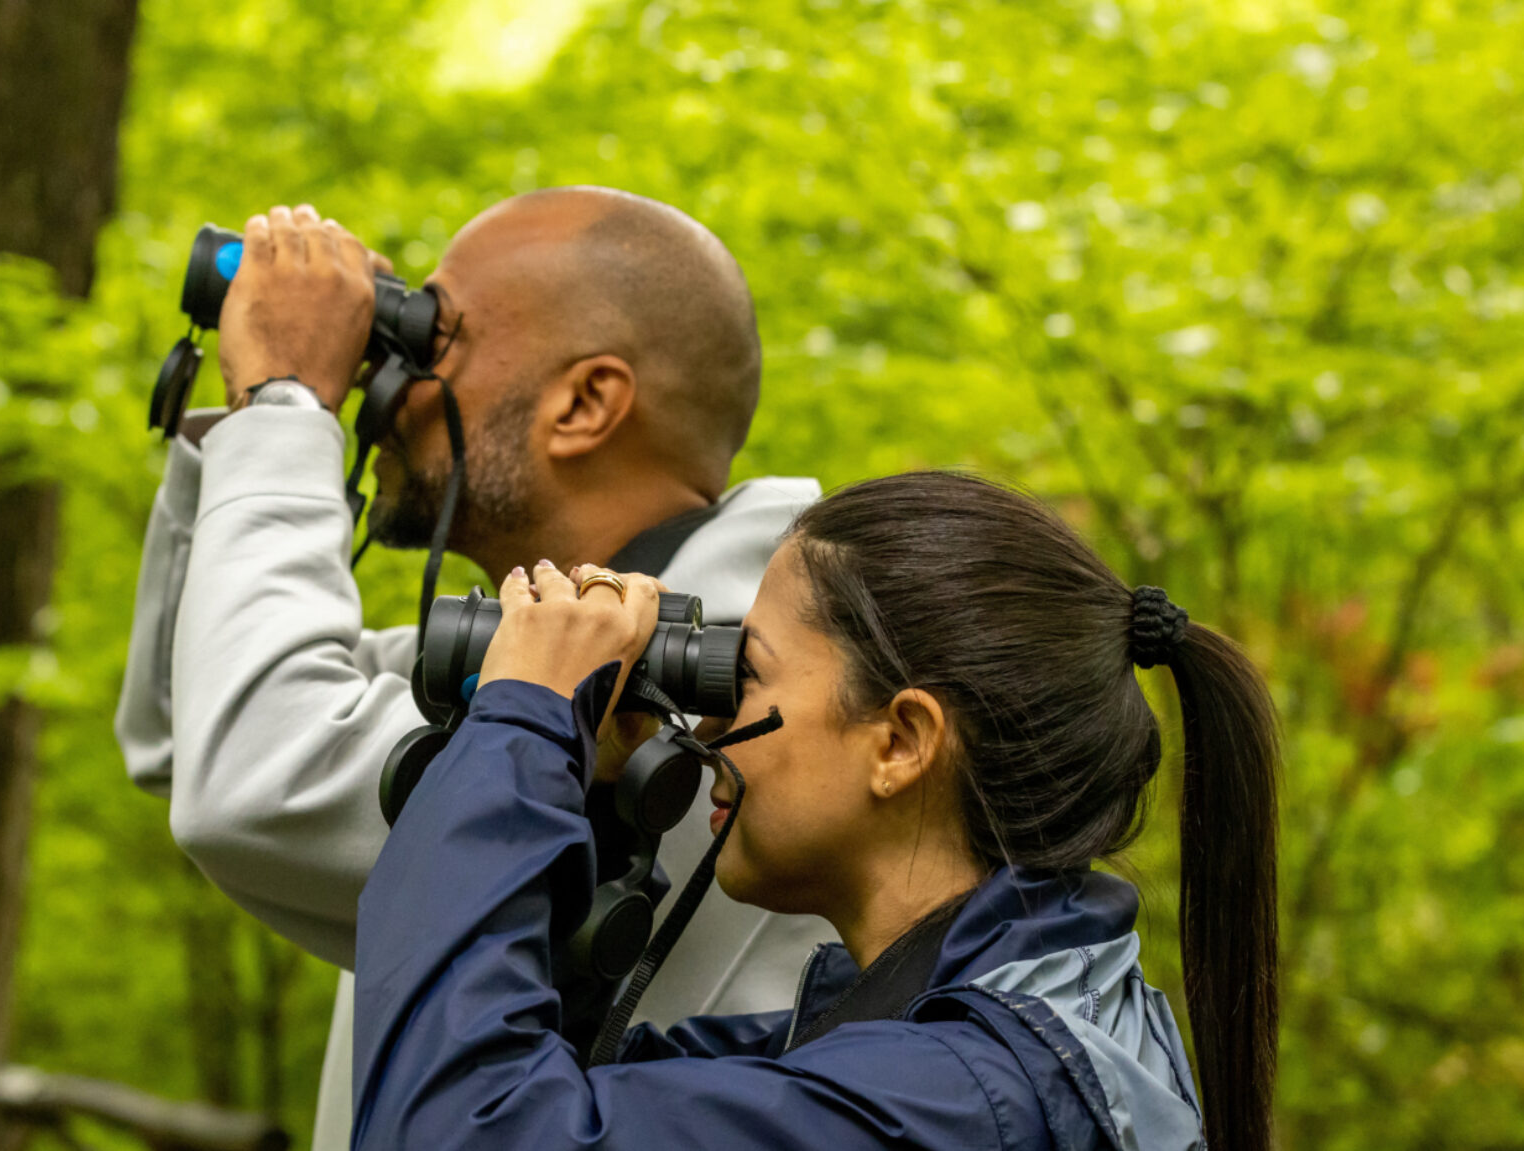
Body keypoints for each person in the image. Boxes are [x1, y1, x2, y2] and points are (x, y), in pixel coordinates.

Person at [115, 190, 836, 1148]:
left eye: (432, 335)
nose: (395, 381)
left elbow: (252, 779)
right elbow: (183, 725)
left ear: (583, 404)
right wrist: (238, 441)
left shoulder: (719, 676)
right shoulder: (543, 640)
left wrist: (285, 403)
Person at [353, 471, 1282, 1151]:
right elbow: (570, 1091)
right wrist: (592, 794)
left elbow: (453, 1129)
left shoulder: (957, 1104)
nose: (710, 720)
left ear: (901, 742)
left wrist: (521, 718)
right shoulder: (937, 1044)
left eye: (744, 673)